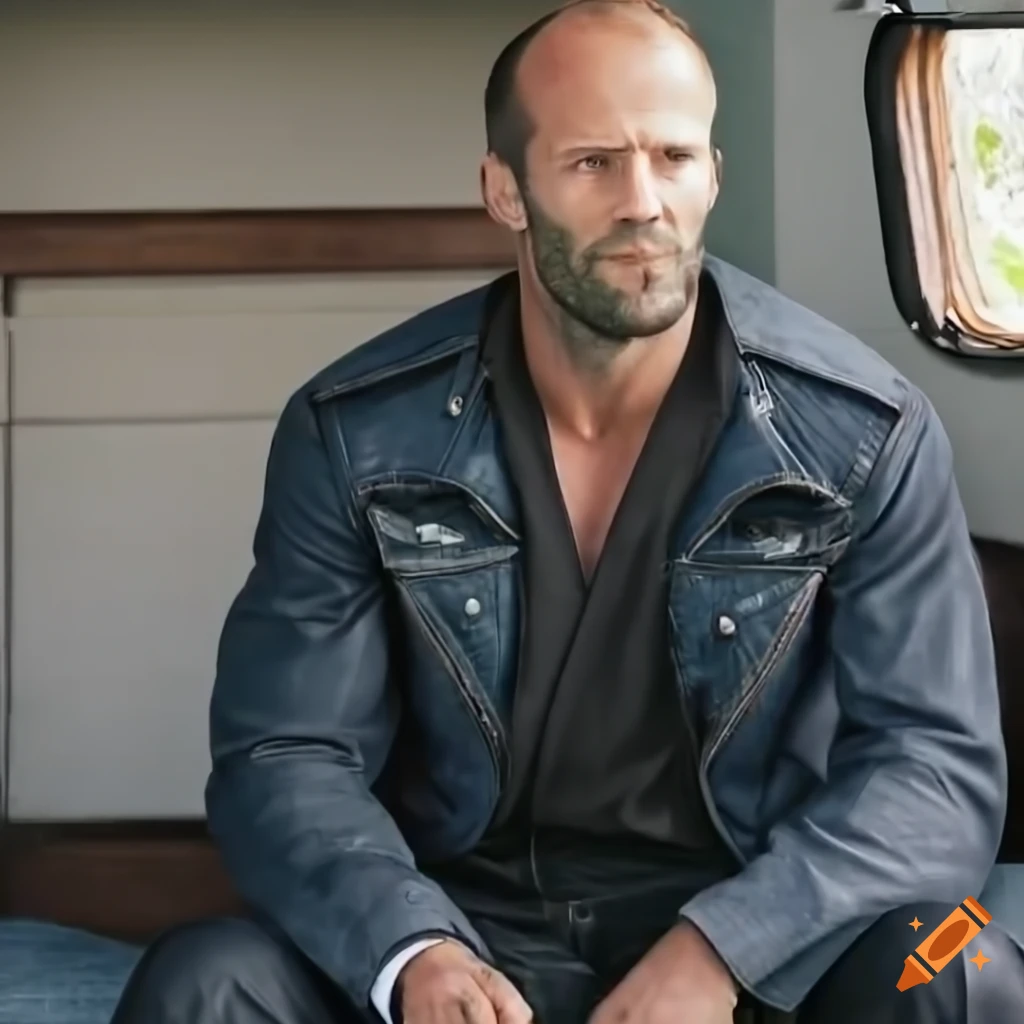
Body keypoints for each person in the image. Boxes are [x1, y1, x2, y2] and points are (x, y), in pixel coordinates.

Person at [110, 1, 1024, 1022]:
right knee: (203, 981)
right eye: (594, 162)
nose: (644, 203)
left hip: (755, 924)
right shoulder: (354, 433)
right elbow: (285, 754)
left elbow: (934, 771)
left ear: (713, 174)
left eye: (673, 157)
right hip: (464, 925)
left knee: (959, 962)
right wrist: (411, 951)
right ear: (506, 189)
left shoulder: (865, 430)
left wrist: (722, 951)